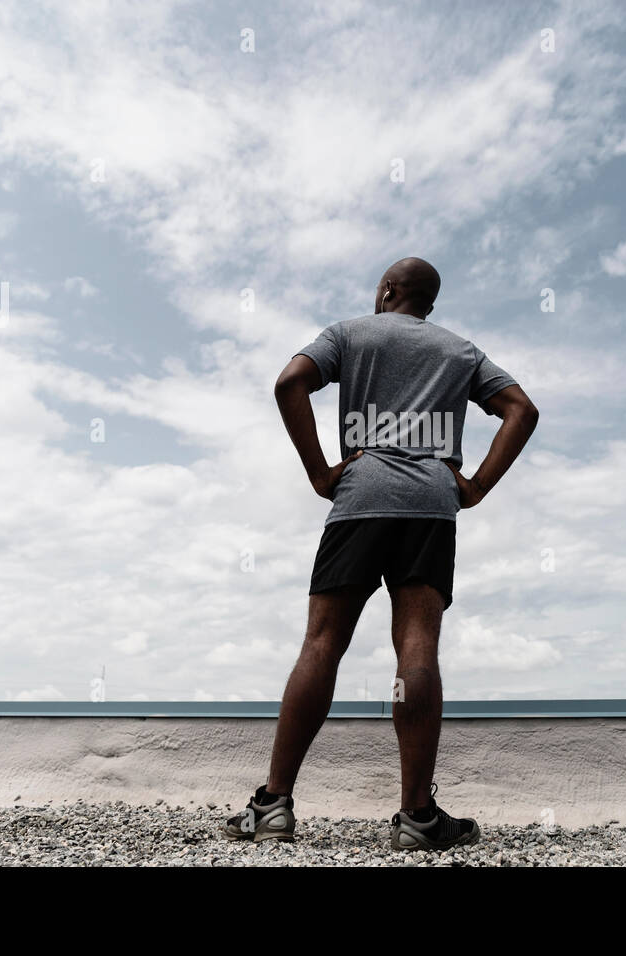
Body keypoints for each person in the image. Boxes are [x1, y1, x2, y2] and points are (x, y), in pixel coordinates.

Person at [224, 257, 539, 851]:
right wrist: (472, 487)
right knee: (417, 645)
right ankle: (417, 817)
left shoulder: (347, 334)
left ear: (388, 289)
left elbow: (289, 383)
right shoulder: (460, 351)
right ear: (429, 305)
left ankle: (273, 806)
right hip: (429, 505)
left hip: (360, 496)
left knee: (322, 643)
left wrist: (321, 473)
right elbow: (523, 409)